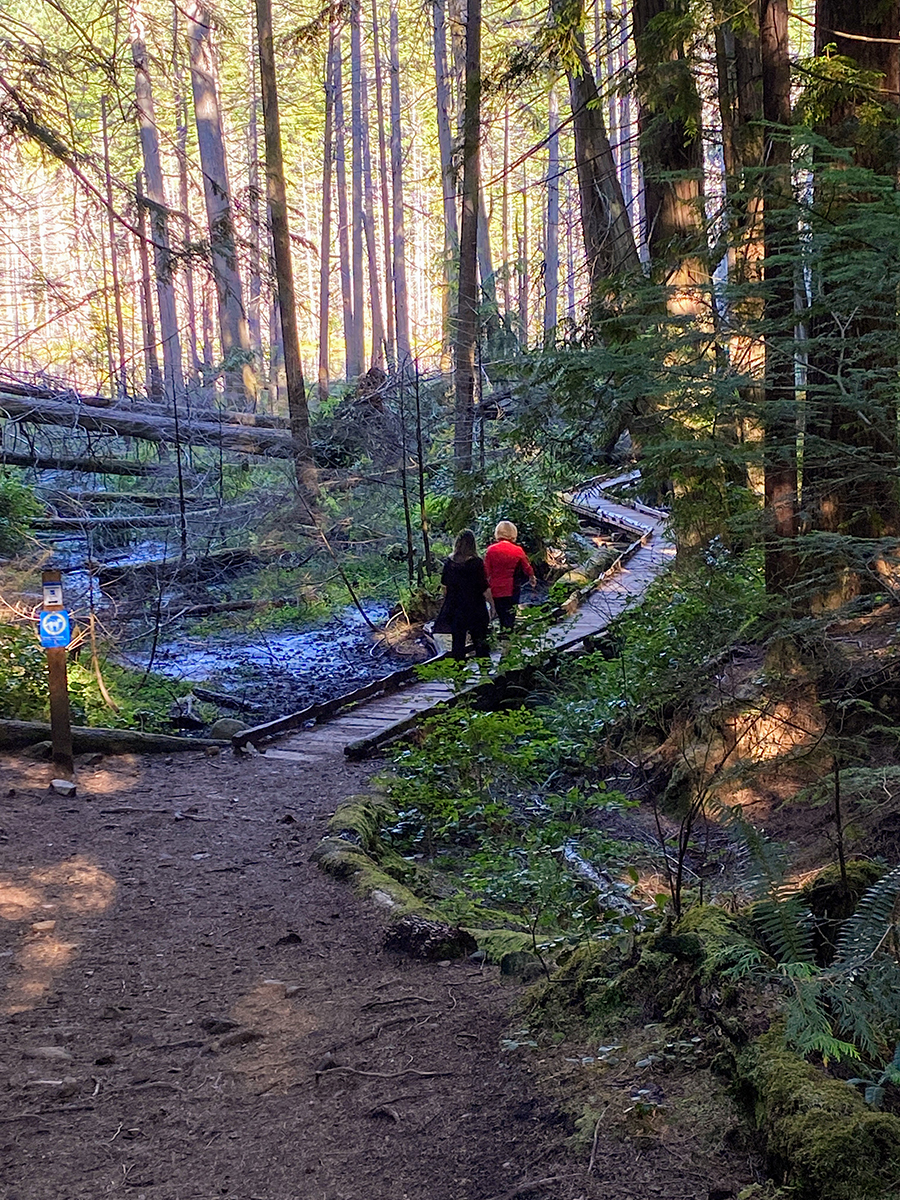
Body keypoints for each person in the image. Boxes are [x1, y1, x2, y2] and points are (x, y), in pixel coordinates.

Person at [440, 529, 493, 661]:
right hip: (475, 608)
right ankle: (485, 672)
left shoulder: (449, 563)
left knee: (457, 643)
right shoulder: (476, 563)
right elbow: (484, 587)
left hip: (455, 608)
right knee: (480, 641)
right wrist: (493, 605)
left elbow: (445, 587)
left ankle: (458, 676)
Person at [484, 520, 536, 634]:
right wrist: (532, 578)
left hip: (496, 589)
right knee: (510, 617)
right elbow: (527, 567)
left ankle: (502, 637)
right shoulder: (517, 550)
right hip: (512, 589)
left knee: (501, 615)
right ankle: (508, 642)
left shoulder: (491, 550)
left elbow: (486, 572)